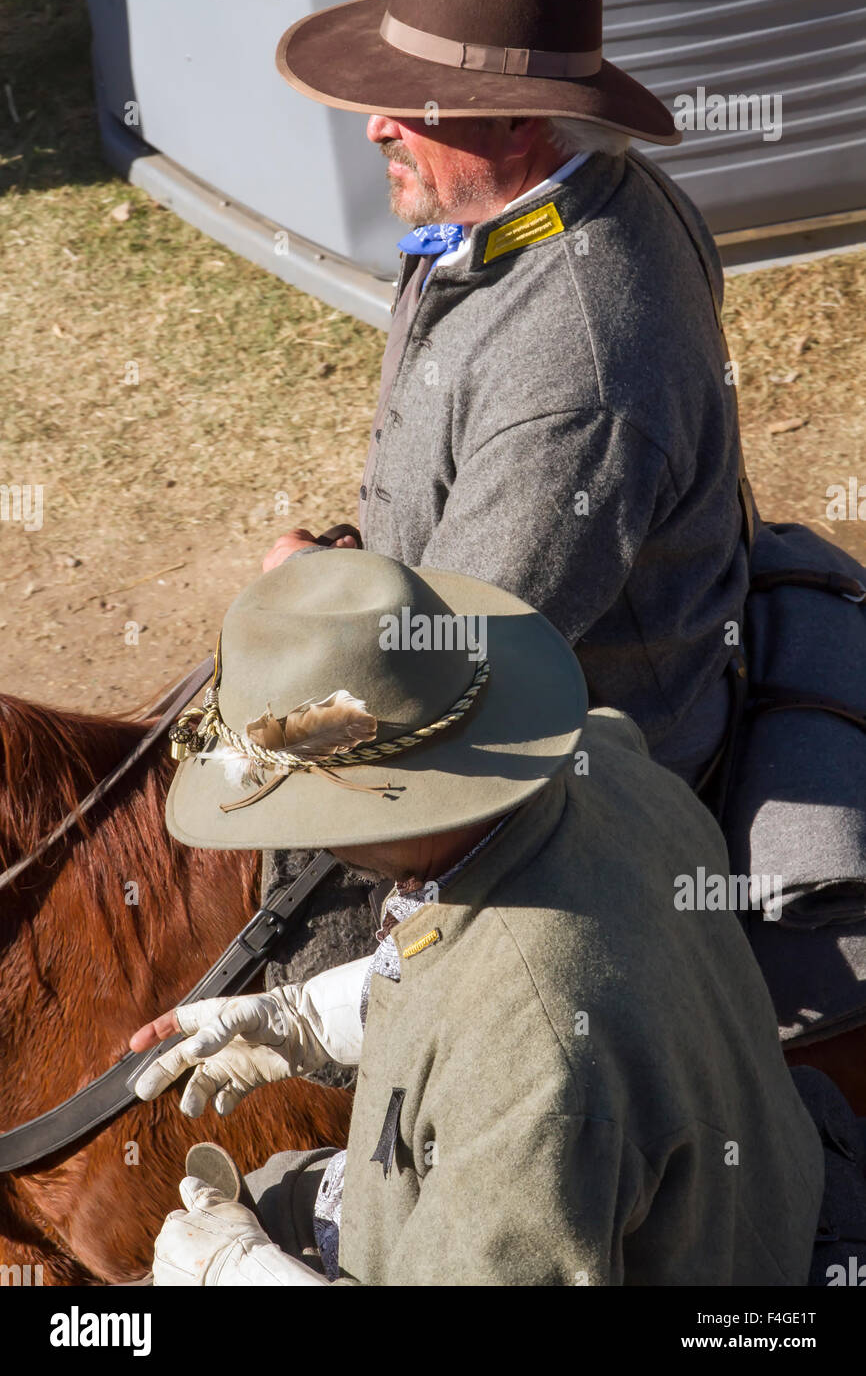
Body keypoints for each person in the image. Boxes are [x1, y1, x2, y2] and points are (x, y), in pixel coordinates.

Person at [134, 550, 823, 1286]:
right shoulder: (609, 762)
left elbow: (524, 1024)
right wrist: (310, 1015)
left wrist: (242, 1275)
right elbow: (515, 958)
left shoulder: (535, 1067)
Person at [263, 0, 751, 791]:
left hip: (578, 774)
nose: (375, 125)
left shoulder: (573, 378)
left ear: (520, 119)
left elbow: (447, 665)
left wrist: (313, 597)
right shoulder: (564, 195)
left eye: (408, 104)